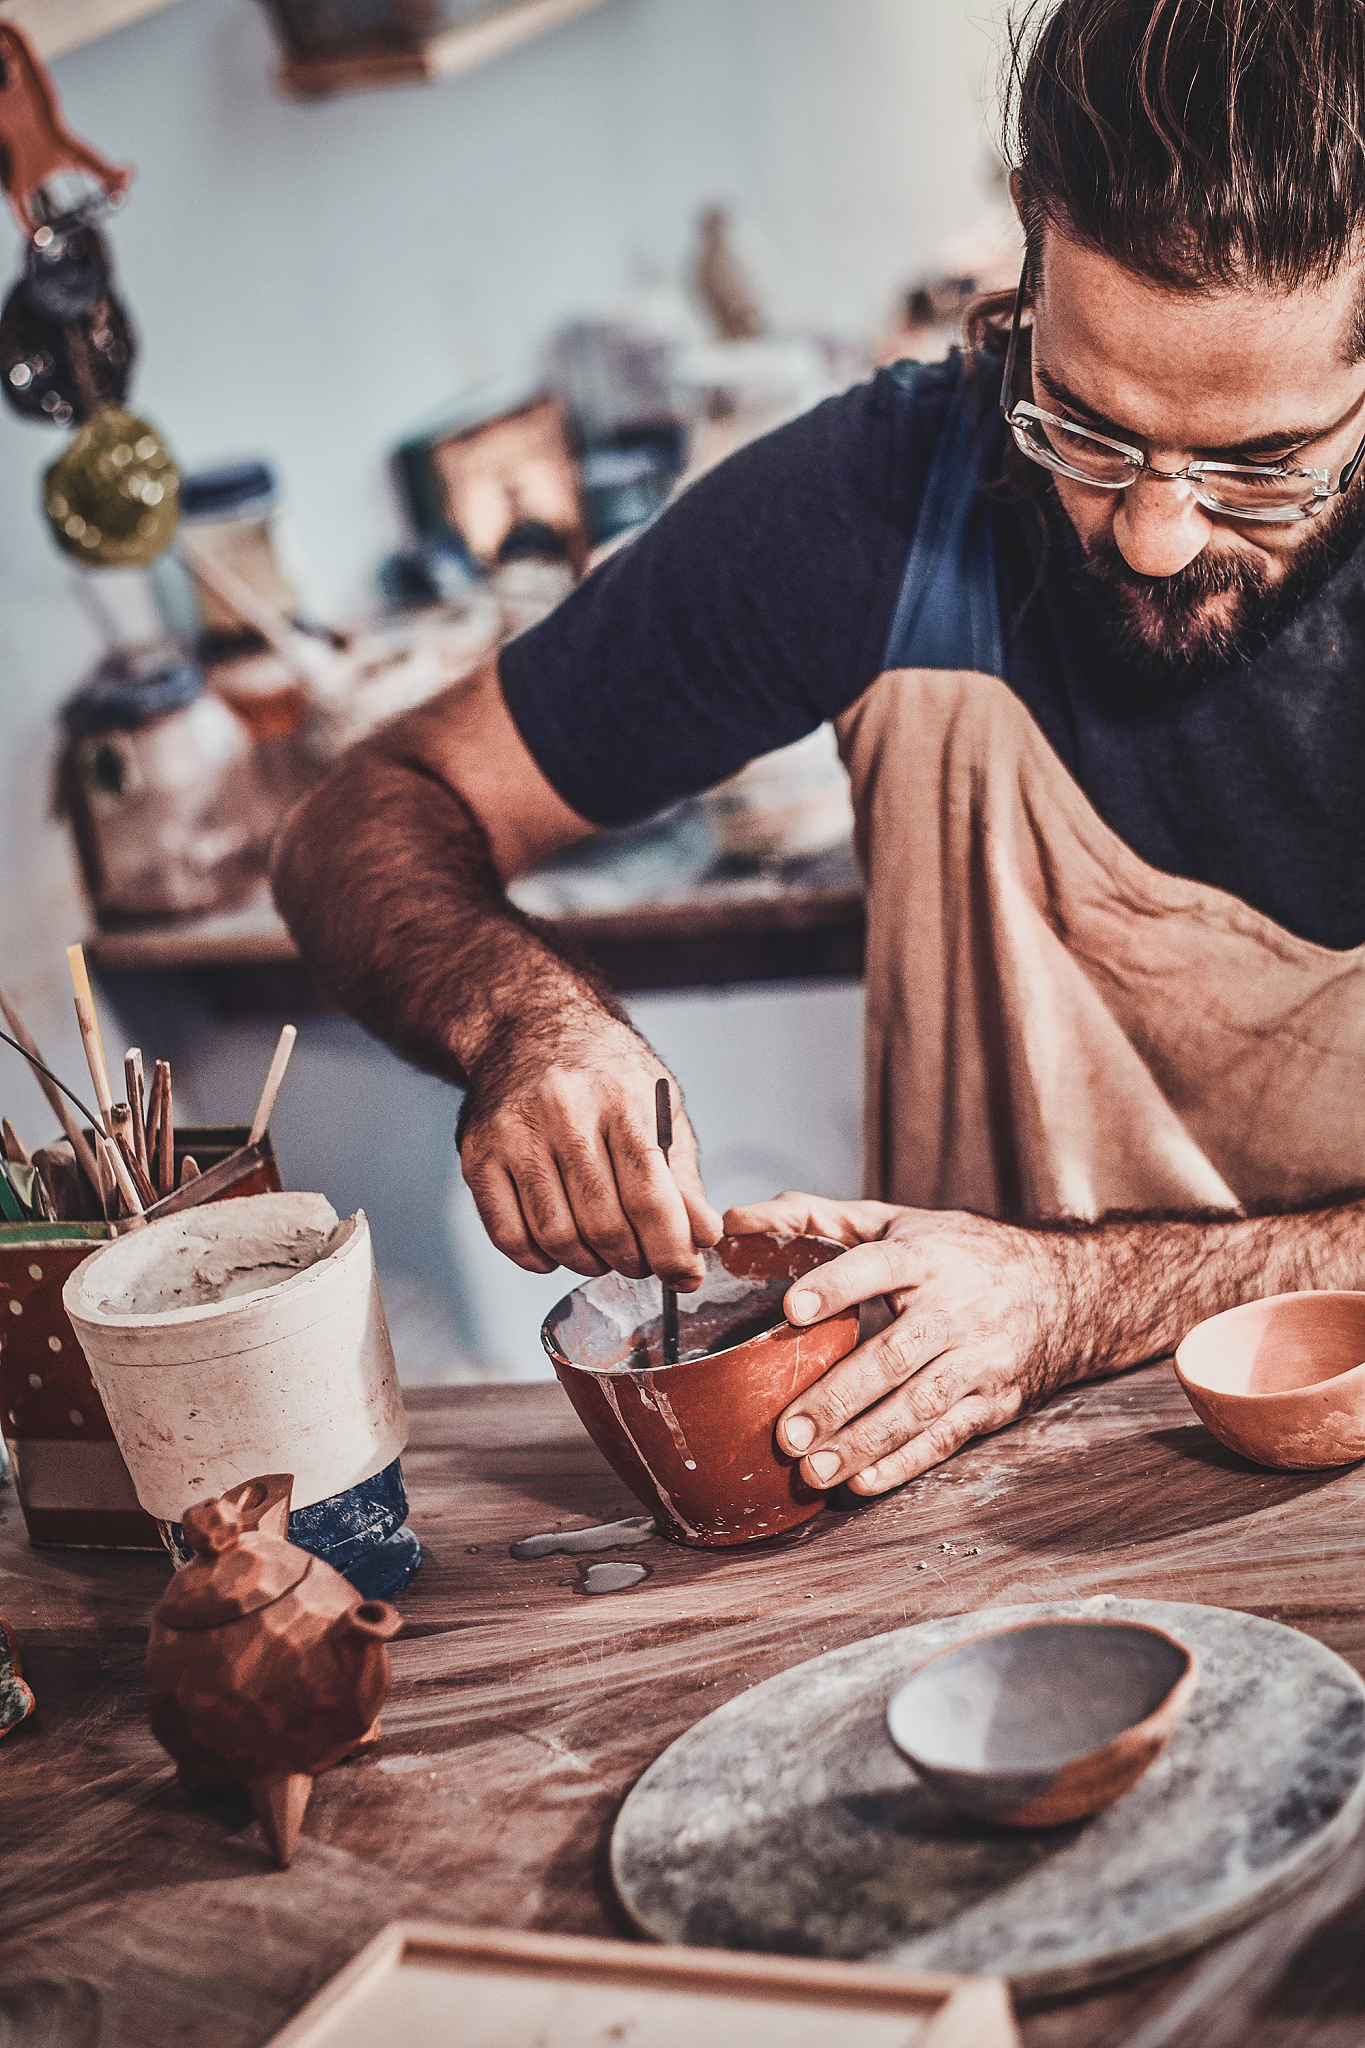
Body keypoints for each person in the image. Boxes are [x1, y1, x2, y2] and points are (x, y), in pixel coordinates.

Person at [274, 0, 1365, 1506]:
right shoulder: (889, 504)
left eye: (1260, 469)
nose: (1155, 534)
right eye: (1088, 432)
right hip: (964, 1494)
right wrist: (521, 1016)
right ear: (1030, 247)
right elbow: (366, 815)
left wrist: (1076, 1301)